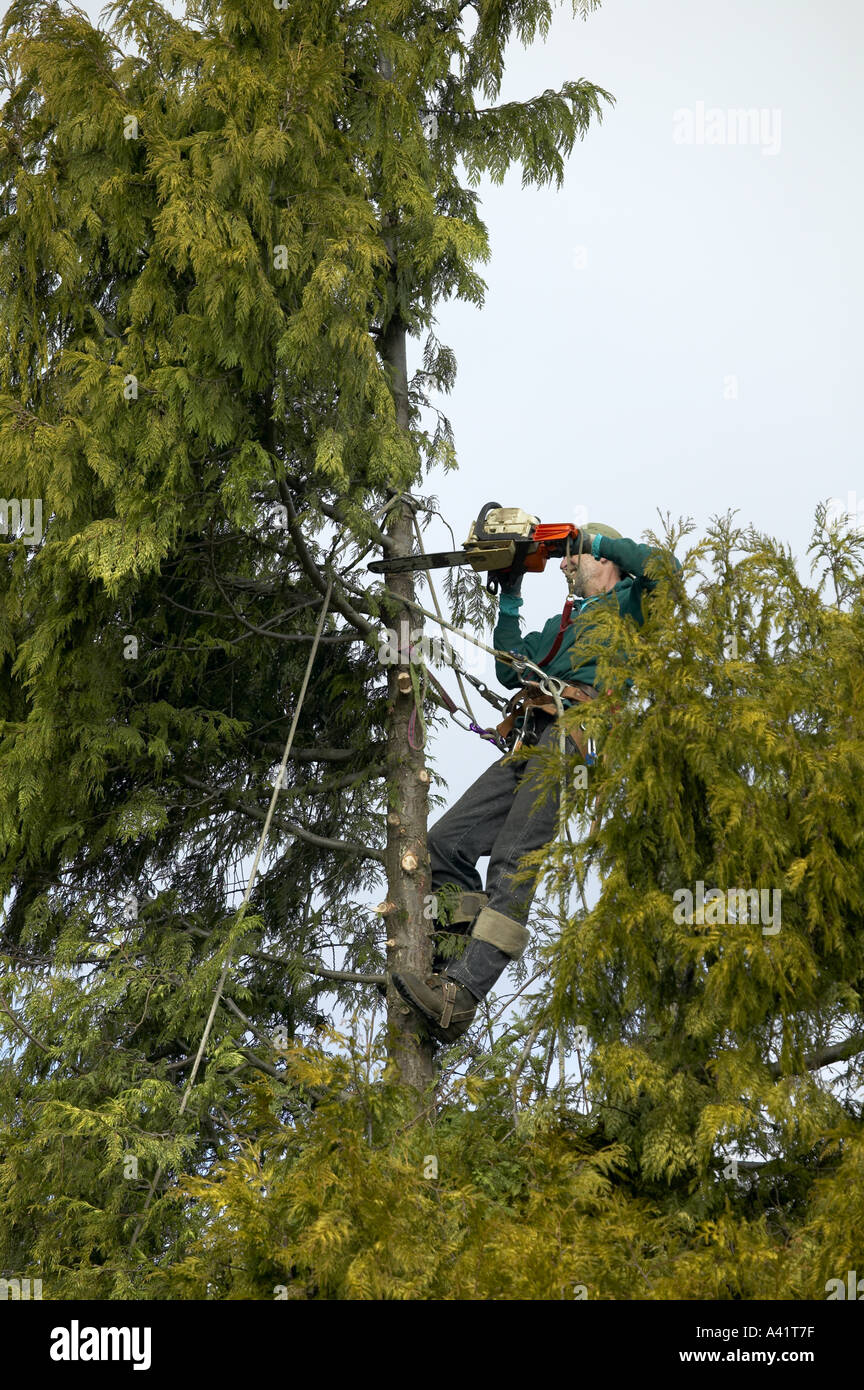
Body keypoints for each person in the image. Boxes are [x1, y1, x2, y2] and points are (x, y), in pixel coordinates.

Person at [391, 522, 680, 1044]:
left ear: (607, 563)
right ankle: (451, 954)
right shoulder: (563, 621)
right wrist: (511, 595)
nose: (566, 565)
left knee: (513, 860)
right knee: (444, 844)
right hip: (531, 736)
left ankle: (460, 999)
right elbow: (510, 670)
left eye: (575, 559)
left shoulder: (635, 606)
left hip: (578, 734)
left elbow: (670, 573)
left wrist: (590, 539)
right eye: (566, 558)